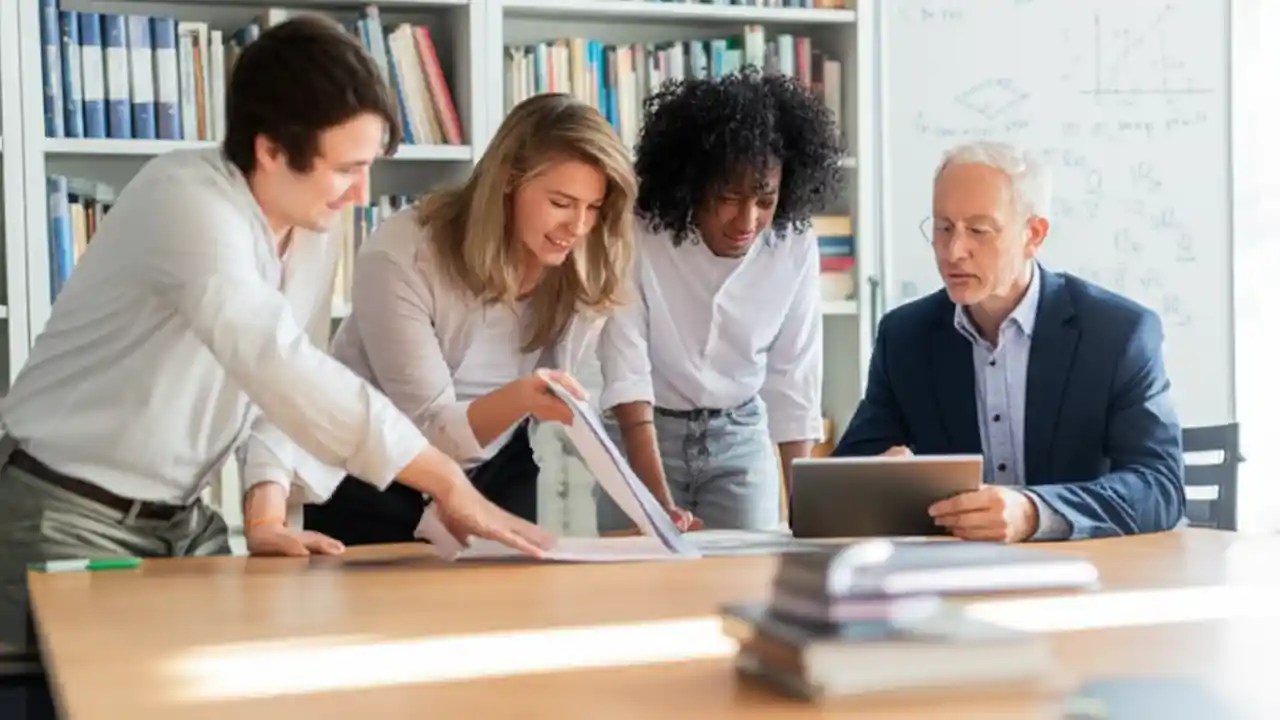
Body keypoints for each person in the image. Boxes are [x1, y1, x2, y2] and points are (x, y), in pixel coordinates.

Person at [0, 15, 550, 657]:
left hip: (179, 523)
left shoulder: (307, 225)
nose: (361, 193)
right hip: (64, 515)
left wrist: (263, 513)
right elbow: (276, 363)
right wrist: (447, 481)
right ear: (269, 150)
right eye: (346, 168)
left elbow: (278, 390)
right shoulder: (185, 202)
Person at [302, 93, 643, 546]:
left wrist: (647, 507)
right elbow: (427, 431)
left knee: (515, 608)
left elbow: (586, 405)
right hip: (374, 479)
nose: (578, 226)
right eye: (561, 202)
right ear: (507, 180)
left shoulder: (584, 263)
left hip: (498, 467)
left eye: (595, 207)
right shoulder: (402, 255)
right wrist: (521, 397)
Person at [834, 141, 1185, 541]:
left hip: (1090, 576)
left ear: (1033, 235)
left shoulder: (1118, 334)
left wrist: (1036, 513)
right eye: (943, 228)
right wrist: (878, 479)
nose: (953, 251)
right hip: (956, 578)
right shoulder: (906, 337)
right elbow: (832, 490)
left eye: (978, 231)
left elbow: (1159, 488)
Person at [595, 69, 845, 532]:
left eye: (764, 199)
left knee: (745, 585)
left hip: (740, 437)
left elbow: (794, 379)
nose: (747, 220)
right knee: (635, 586)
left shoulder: (793, 242)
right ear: (692, 185)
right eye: (728, 197)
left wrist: (809, 516)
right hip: (642, 437)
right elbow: (627, 373)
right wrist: (657, 508)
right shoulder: (637, 231)